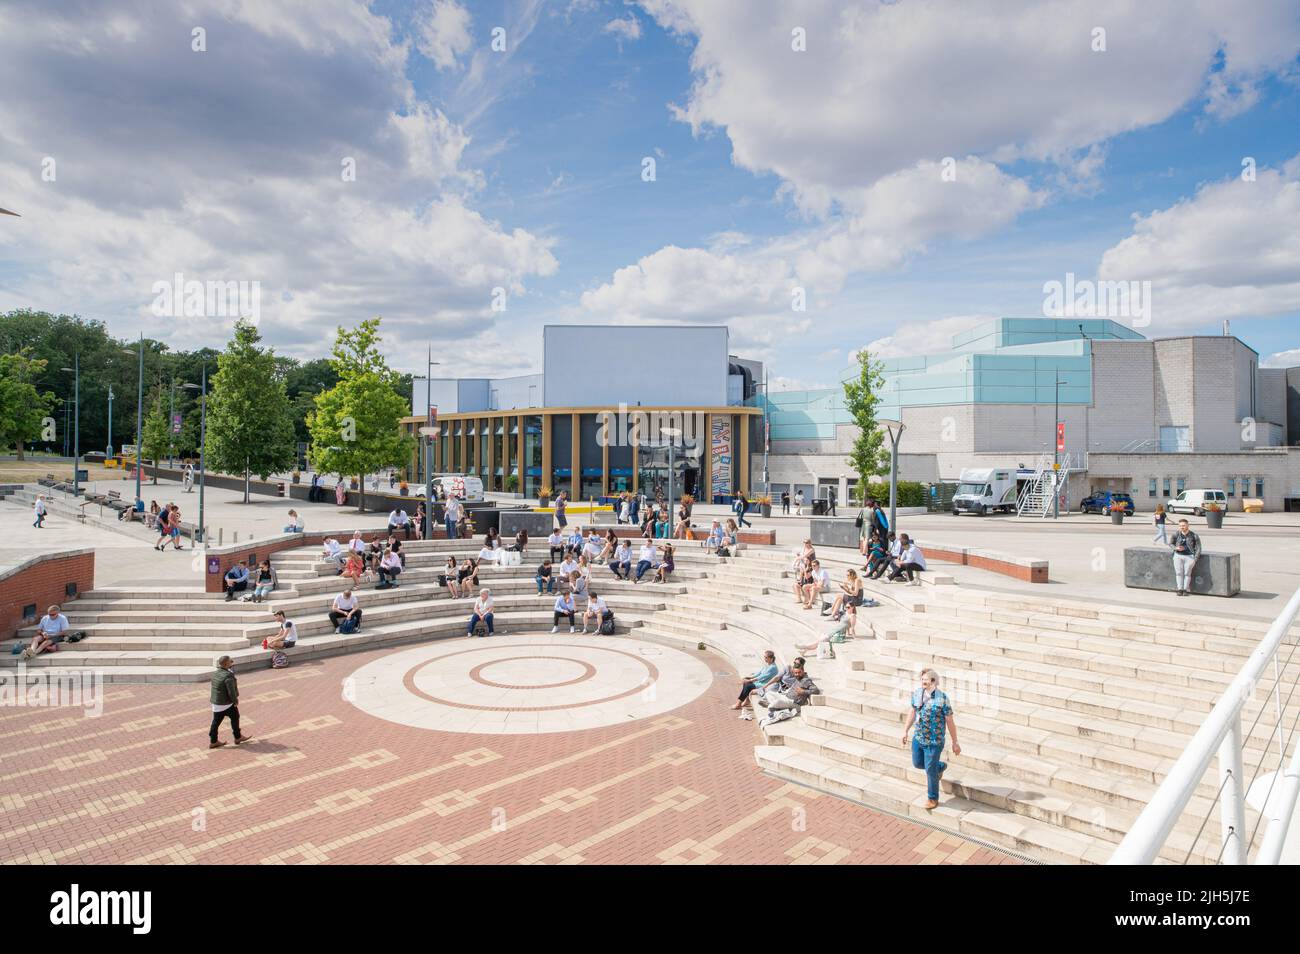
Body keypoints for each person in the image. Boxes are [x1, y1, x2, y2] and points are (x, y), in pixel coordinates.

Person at [901, 668, 960, 810]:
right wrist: (905, 730)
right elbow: (913, 712)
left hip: (934, 742)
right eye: (921, 680)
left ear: (934, 681)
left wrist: (955, 742)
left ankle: (932, 798)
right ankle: (939, 767)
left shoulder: (942, 698)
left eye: (925, 680)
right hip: (919, 738)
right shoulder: (917, 694)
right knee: (917, 763)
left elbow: (950, 721)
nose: (923, 682)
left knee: (929, 770)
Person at [755, 658, 820, 727]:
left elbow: (816, 690)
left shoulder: (806, 680)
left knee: (777, 702)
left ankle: (771, 705)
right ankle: (772, 705)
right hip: (786, 697)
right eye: (795, 673)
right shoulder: (798, 677)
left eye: (799, 672)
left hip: (794, 703)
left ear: (803, 671)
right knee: (769, 693)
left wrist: (803, 691)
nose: (797, 674)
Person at [209, 656, 252, 748]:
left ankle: (213, 741)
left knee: (215, 722)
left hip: (216, 703)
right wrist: (235, 701)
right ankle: (238, 737)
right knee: (235, 717)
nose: (232, 662)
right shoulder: (228, 676)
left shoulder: (216, 673)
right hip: (226, 704)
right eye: (230, 661)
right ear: (225, 664)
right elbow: (231, 691)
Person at [733, 650, 779, 720]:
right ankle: (746, 700)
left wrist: (750, 680)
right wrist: (749, 677)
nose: (765, 659)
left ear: (771, 658)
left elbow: (762, 677)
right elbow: (759, 673)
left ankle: (738, 703)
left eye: (766, 657)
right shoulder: (767, 665)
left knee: (748, 685)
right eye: (764, 657)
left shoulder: (773, 667)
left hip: (765, 684)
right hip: (760, 682)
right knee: (747, 683)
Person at [1170, 518, 1201, 596]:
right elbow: (1171, 543)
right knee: (1179, 573)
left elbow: (1198, 548)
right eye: (1180, 526)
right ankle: (1180, 589)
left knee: (1187, 574)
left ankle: (1185, 589)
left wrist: (1195, 558)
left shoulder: (1194, 535)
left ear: (1188, 525)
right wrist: (1176, 548)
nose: (1182, 527)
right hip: (1178, 556)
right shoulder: (1176, 534)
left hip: (1189, 556)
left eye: (1183, 525)